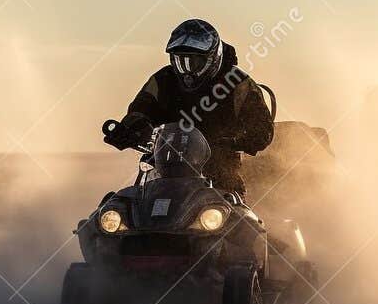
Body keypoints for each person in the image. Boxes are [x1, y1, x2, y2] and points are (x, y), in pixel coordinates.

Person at [102, 19, 274, 193]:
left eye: (195, 63)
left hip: (220, 174)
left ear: (213, 58)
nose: (187, 71)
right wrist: (132, 128)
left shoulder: (237, 83)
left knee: (238, 216)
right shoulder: (163, 80)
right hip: (164, 171)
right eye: (180, 61)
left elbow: (262, 129)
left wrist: (235, 141)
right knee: (118, 207)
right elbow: (141, 108)